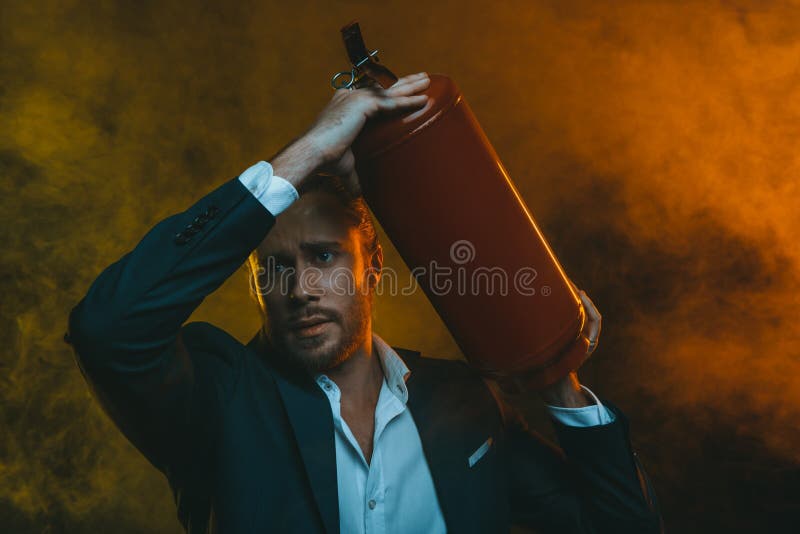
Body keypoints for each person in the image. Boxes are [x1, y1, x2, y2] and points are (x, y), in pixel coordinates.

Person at [65, 72, 662, 533]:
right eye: (274, 267)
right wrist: (312, 152)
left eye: (324, 257)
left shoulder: (462, 401)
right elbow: (107, 329)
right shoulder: (218, 397)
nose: (299, 288)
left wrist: (559, 380)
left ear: (372, 265)